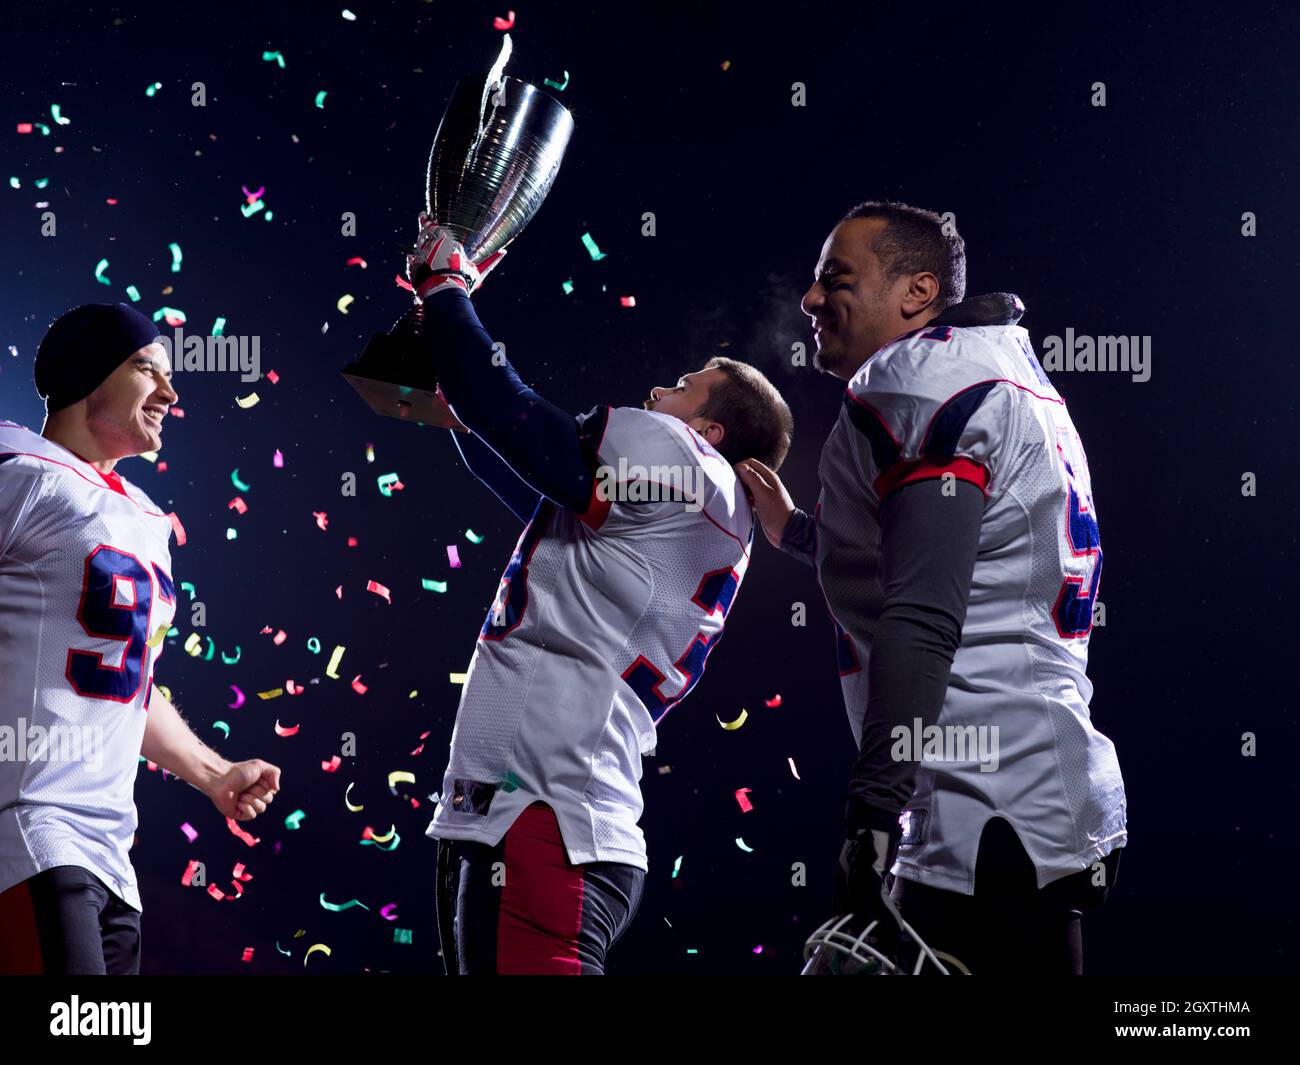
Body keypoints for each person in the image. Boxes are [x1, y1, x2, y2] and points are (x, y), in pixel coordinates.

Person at [738, 202, 1126, 975]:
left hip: (980, 806)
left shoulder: (922, 381)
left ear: (916, 293)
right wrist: (798, 532)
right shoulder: (1001, 367)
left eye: (836, 279)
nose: (812, 300)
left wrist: (871, 814)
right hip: (1035, 783)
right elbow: (949, 559)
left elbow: (922, 612)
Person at [404, 221, 793, 974]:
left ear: (709, 429)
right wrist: (448, 368)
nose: (655, 392)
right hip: (529, 812)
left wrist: (450, 287)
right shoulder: (683, 515)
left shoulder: (685, 462)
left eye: (681, 388)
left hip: (549, 820)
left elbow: (525, 426)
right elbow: (517, 462)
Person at [0, 303, 281, 975]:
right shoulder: (20, 474)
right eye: (146, 367)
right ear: (88, 377)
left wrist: (215, 774)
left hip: (110, 858)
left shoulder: (145, 518)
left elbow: (128, 678)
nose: (170, 391)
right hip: (30, 832)